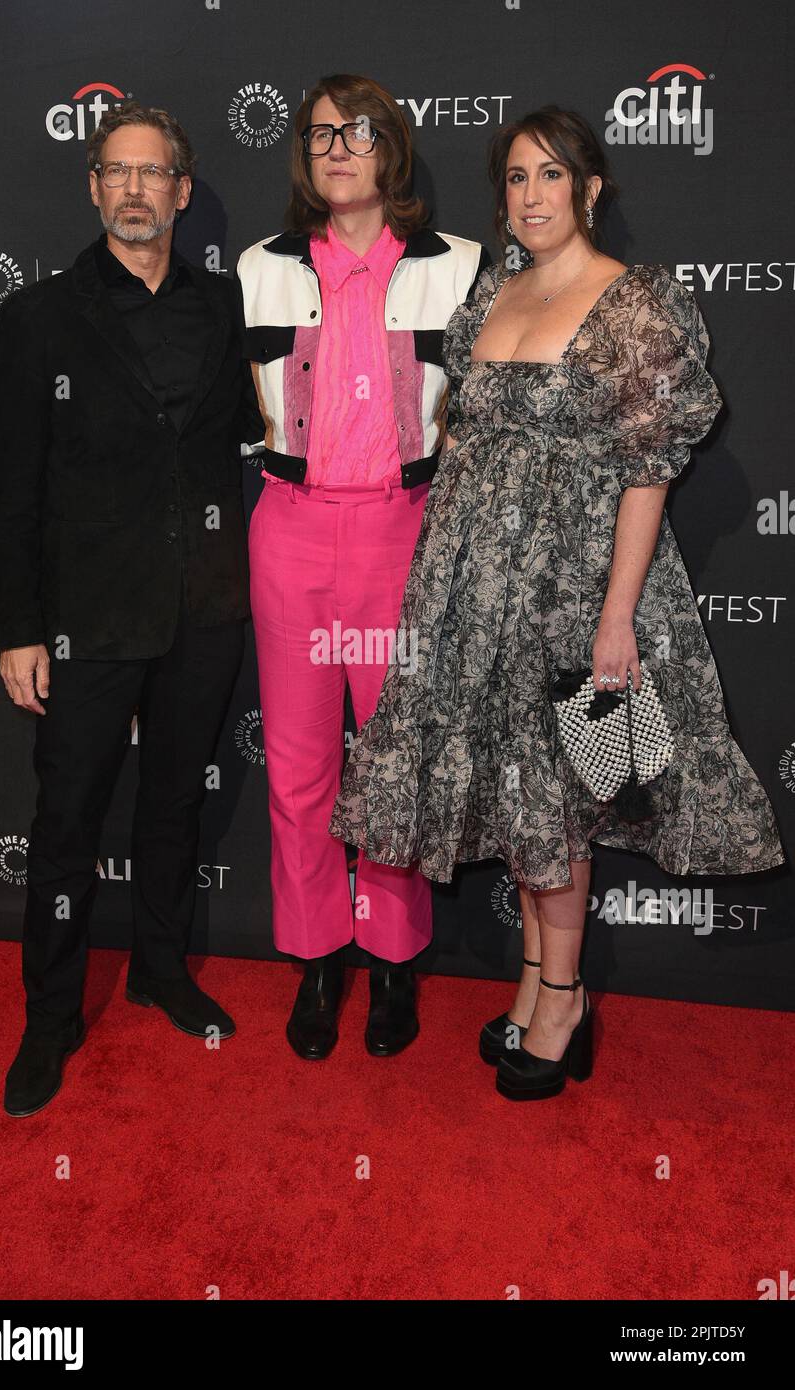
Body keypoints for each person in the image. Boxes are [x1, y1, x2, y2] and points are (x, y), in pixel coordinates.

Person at [328, 105, 786, 1099]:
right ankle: (537, 981)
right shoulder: (496, 286)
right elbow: (461, 438)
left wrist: (615, 616)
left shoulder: (634, 305)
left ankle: (565, 997)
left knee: (557, 801)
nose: (530, 196)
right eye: (515, 178)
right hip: (471, 594)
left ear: (589, 189)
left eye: (549, 176)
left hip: (573, 592)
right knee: (521, 801)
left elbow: (646, 473)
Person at [0, 100, 262, 1116]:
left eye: (155, 173)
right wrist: (17, 625)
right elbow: (9, 490)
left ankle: (156, 967)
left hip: (201, 610)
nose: (136, 188)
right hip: (84, 619)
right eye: (117, 171)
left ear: (182, 193)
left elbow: (241, 435)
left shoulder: (221, 307)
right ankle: (51, 1013)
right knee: (67, 822)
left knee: (174, 805)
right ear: (94, 186)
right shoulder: (38, 316)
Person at [236, 74, 491, 1060]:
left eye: (359, 133)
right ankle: (315, 959)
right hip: (289, 531)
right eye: (319, 134)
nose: (337, 148)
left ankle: (391, 961)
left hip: (404, 535)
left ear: (393, 149)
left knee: (393, 764)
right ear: (302, 156)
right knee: (299, 769)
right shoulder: (257, 268)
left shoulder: (460, 266)